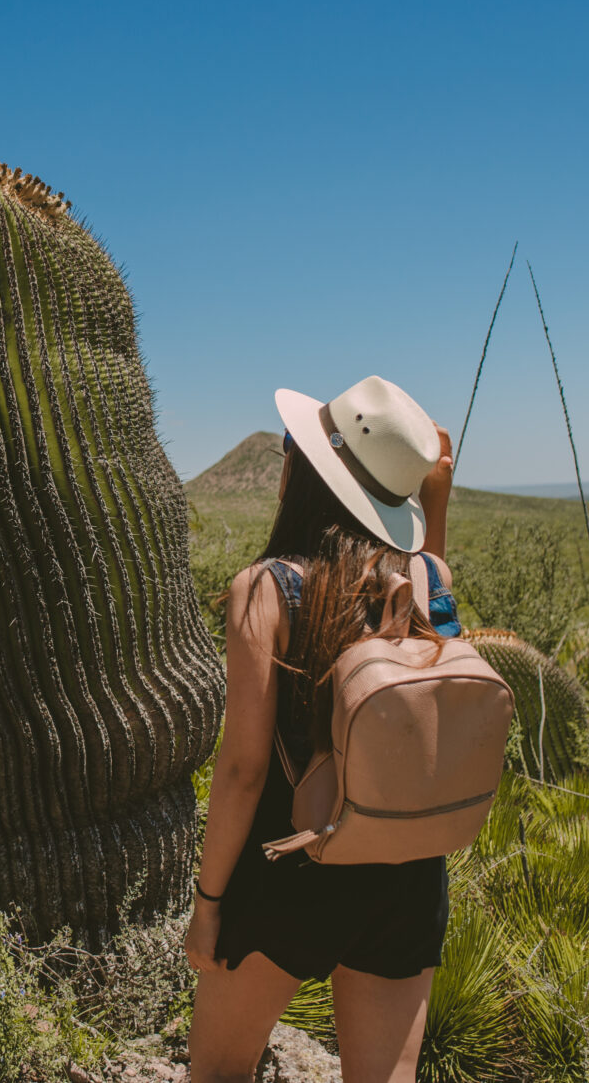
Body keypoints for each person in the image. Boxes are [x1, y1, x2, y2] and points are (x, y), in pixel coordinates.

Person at [184, 377, 460, 1083]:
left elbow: (244, 769)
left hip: (293, 867)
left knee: (219, 1074)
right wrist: (433, 503)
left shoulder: (268, 587)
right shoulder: (429, 575)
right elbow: (426, 628)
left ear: (303, 468)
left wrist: (210, 903)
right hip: (407, 872)